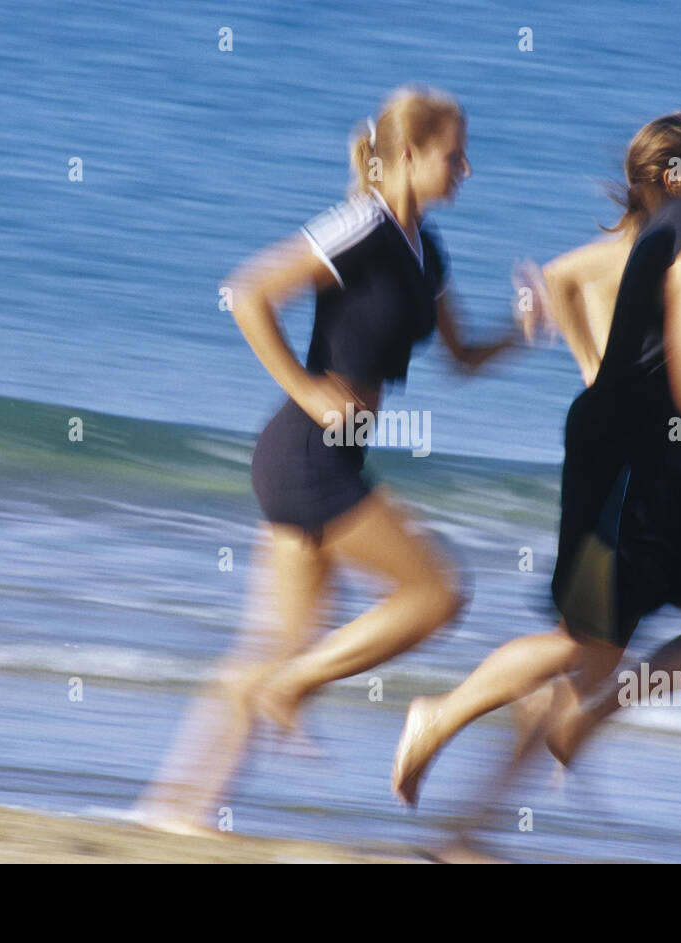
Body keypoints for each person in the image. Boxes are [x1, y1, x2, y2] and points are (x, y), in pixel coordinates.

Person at [392, 86, 681, 863]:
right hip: (627, 465)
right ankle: (443, 724)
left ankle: (569, 754)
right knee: (585, 650)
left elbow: (679, 361)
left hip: (655, 462)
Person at [136, 85, 522, 833]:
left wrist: (523, 329)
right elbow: (248, 293)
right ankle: (289, 688)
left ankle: (175, 811)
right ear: (409, 154)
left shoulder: (427, 250)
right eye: (454, 156)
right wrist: (309, 390)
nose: (466, 169)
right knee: (437, 592)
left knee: (274, 643)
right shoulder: (361, 224)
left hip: (329, 461)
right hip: (305, 453)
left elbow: (463, 355)